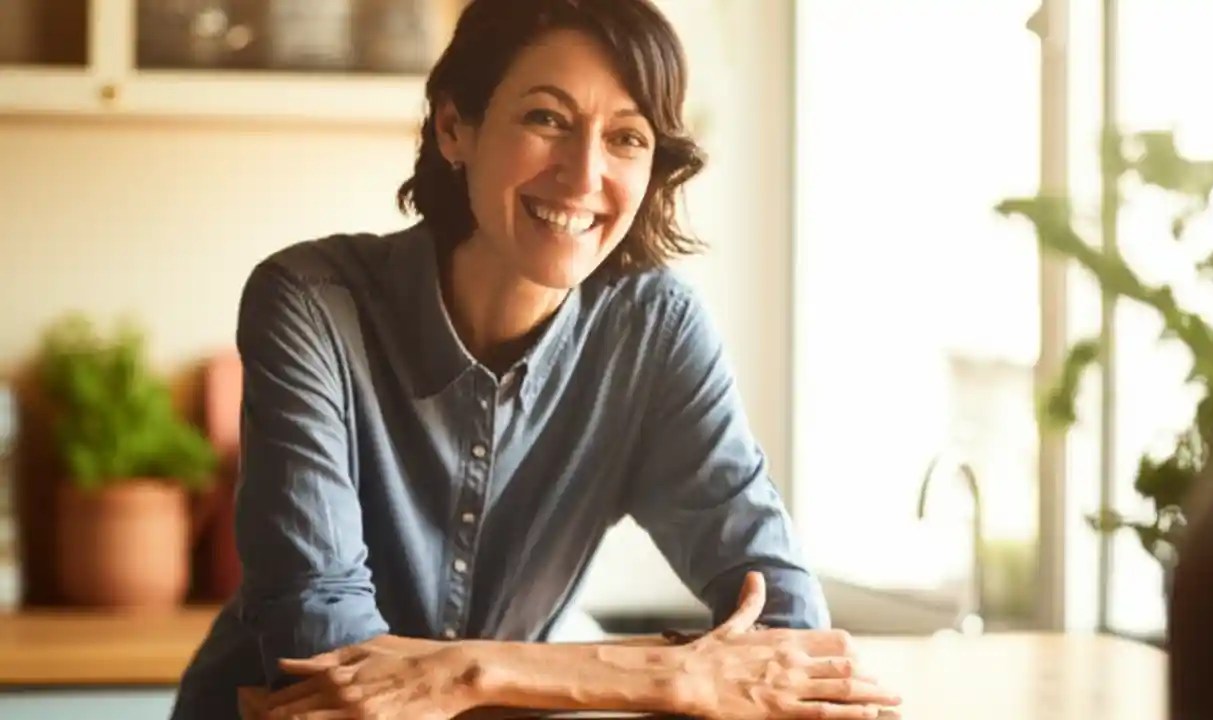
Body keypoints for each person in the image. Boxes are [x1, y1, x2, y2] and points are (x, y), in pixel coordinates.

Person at [170, 0, 901, 718]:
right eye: (546, 118)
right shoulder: (311, 303)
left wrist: (470, 673)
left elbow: (792, 641)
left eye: (627, 137)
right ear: (456, 127)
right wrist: (672, 677)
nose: (584, 175)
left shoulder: (656, 332)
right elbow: (324, 657)